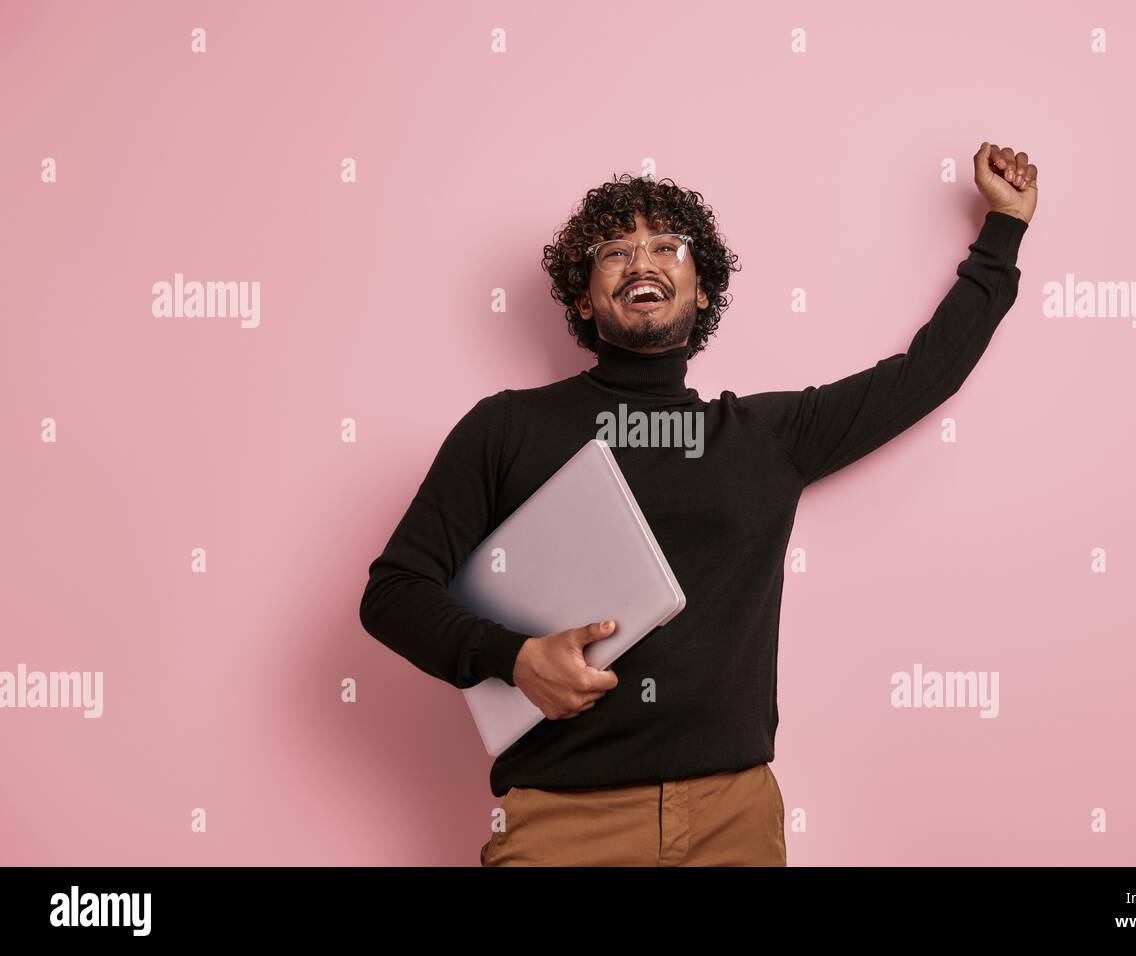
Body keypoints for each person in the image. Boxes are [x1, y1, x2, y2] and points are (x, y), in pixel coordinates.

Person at [359, 142, 1038, 866]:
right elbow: (393, 594)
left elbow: (926, 375)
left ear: (703, 288)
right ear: (585, 298)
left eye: (667, 246)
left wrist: (1004, 229)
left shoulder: (766, 438)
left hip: (732, 817)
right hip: (562, 819)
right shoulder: (505, 428)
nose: (642, 259)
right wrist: (513, 657)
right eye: (614, 249)